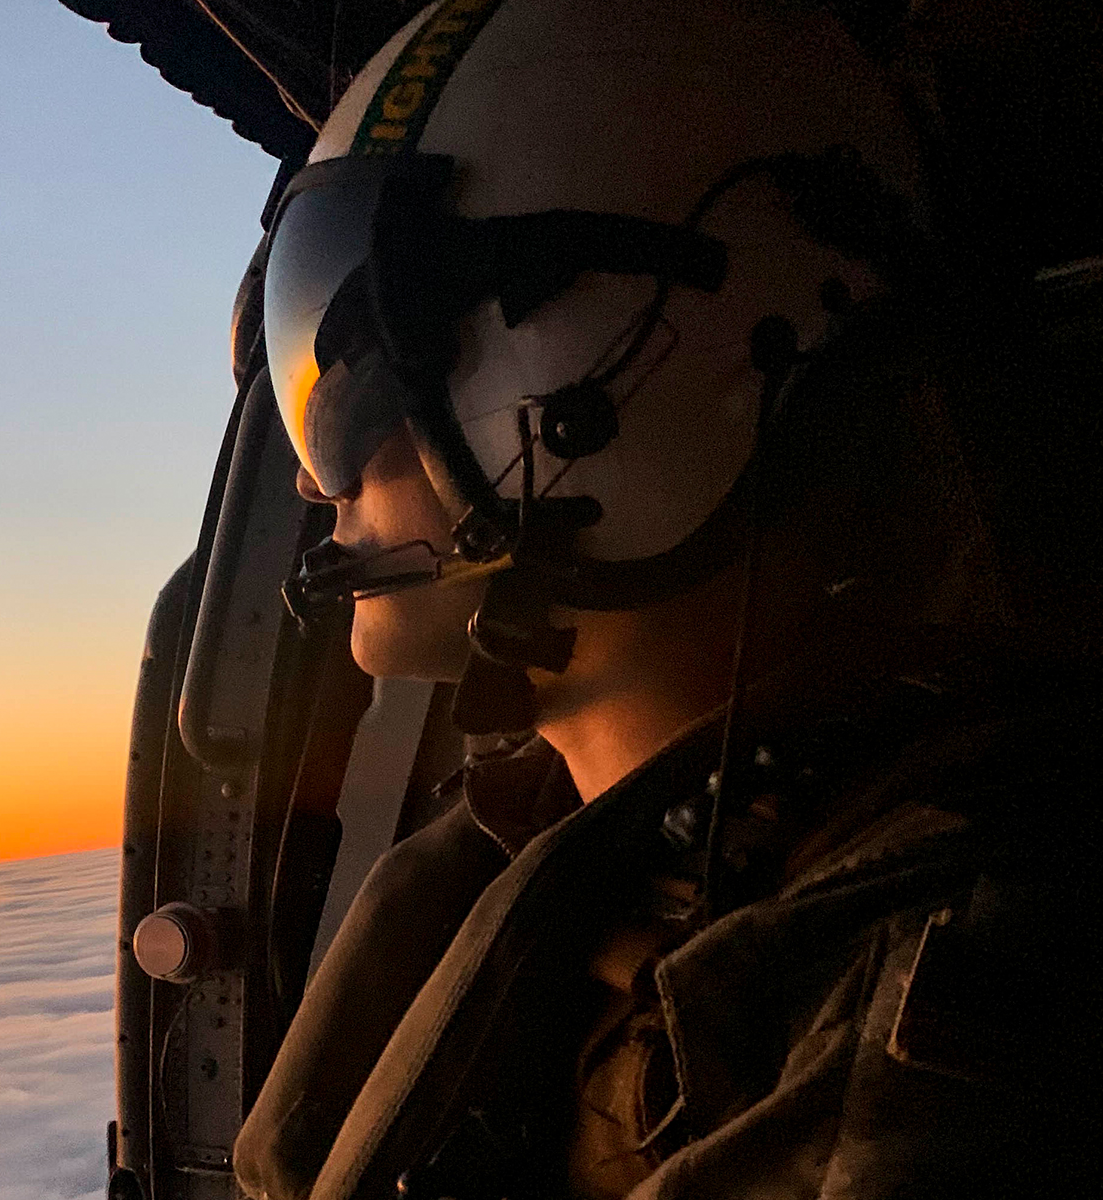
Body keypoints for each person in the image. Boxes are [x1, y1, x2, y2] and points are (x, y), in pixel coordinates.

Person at [230, 0, 1102, 1197]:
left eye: (350, 384)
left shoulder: (951, 1013)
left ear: (591, 385)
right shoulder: (544, 852)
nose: (304, 472)